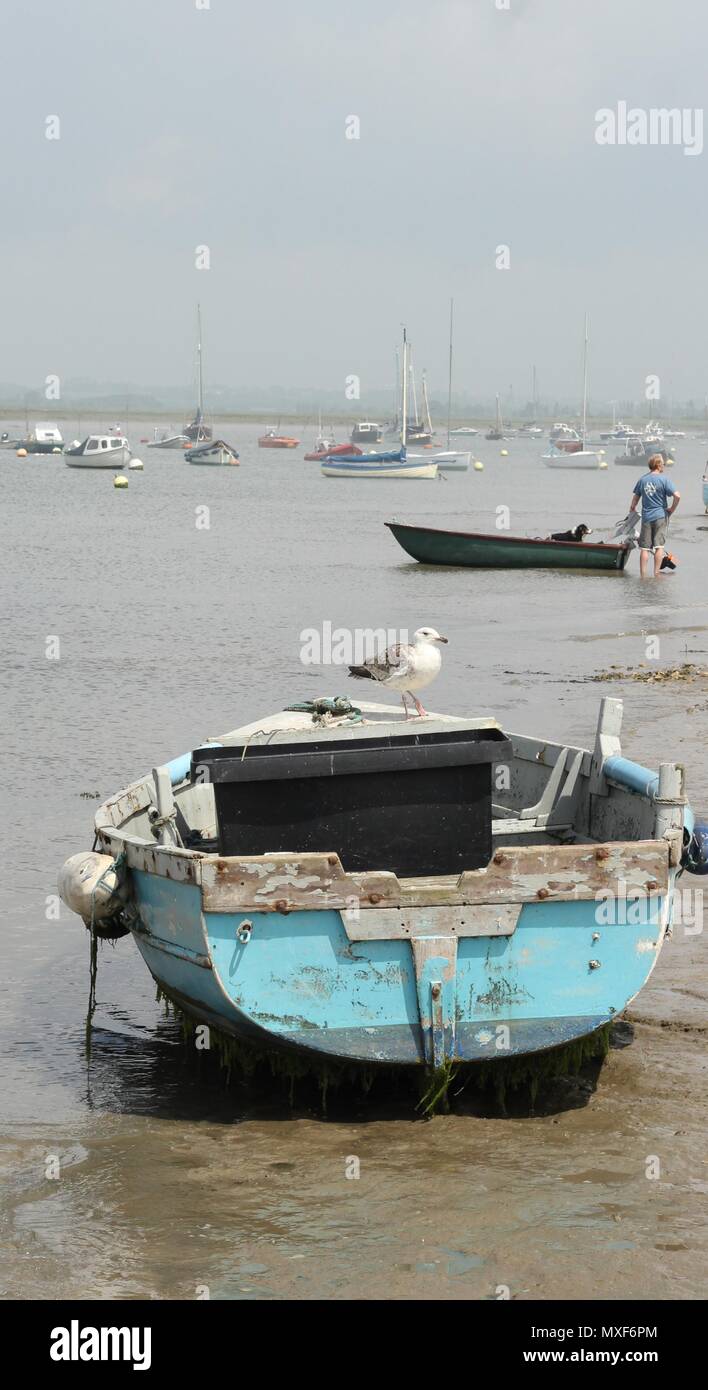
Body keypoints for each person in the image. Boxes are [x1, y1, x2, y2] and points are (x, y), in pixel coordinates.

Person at [629, 454, 680, 578]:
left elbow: (635, 498)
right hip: (660, 516)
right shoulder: (664, 480)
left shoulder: (642, 480)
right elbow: (677, 495)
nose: (664, 465)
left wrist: (632, 509)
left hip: (647, 517)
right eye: (662, 463)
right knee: (659, 546)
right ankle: (656, 574)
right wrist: (672, 509)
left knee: (644, 548)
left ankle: (643, 575)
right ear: (658, 465)